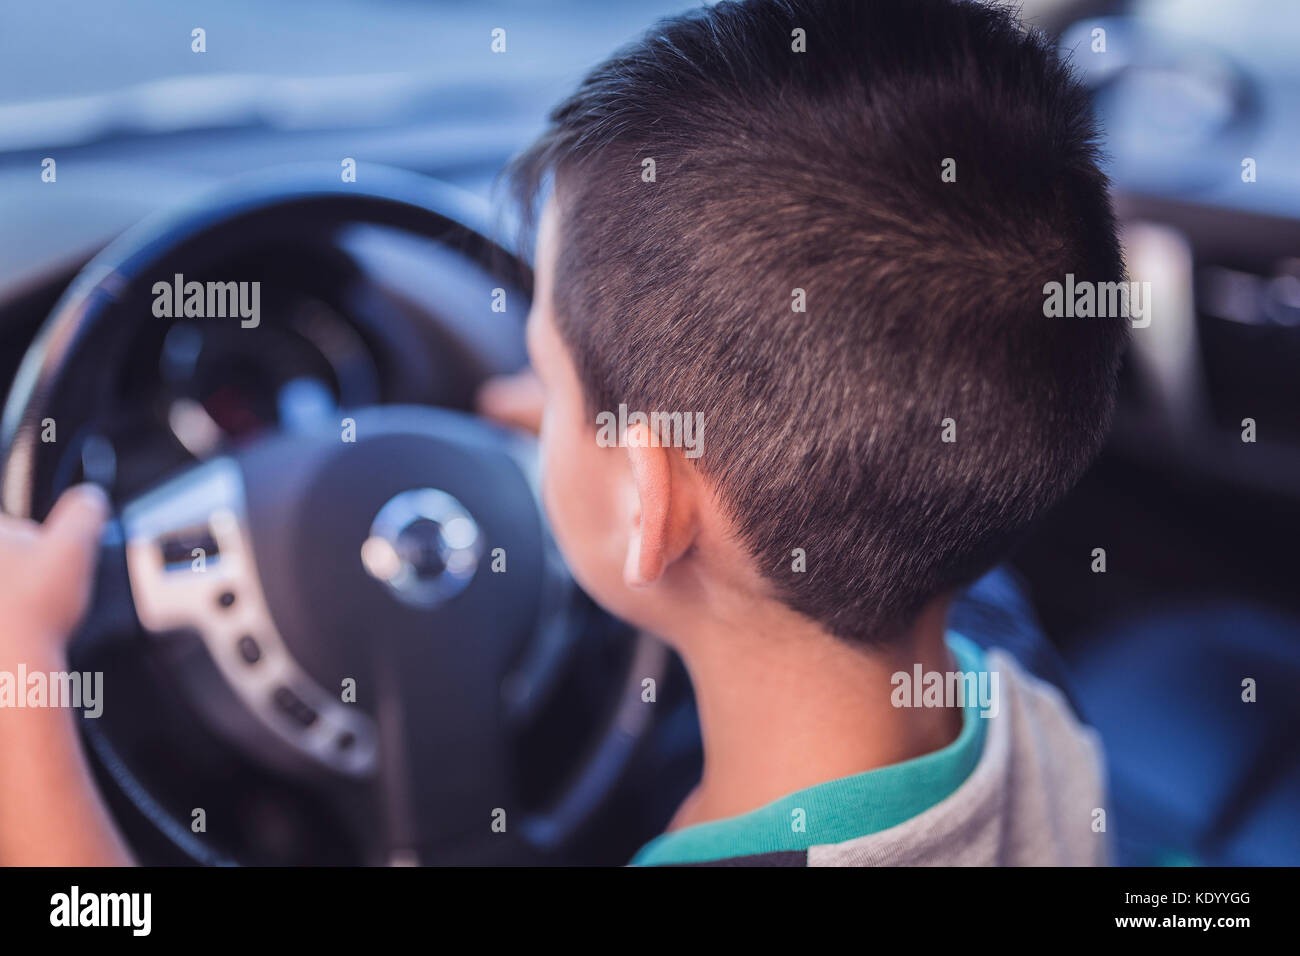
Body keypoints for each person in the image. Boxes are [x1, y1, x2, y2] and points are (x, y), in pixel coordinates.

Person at [0, 0, 1123, 866]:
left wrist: (26, 678)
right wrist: (624, 433)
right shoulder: (1025, 696)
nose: (534, 416)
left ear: (651, 503)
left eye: (552, 378)